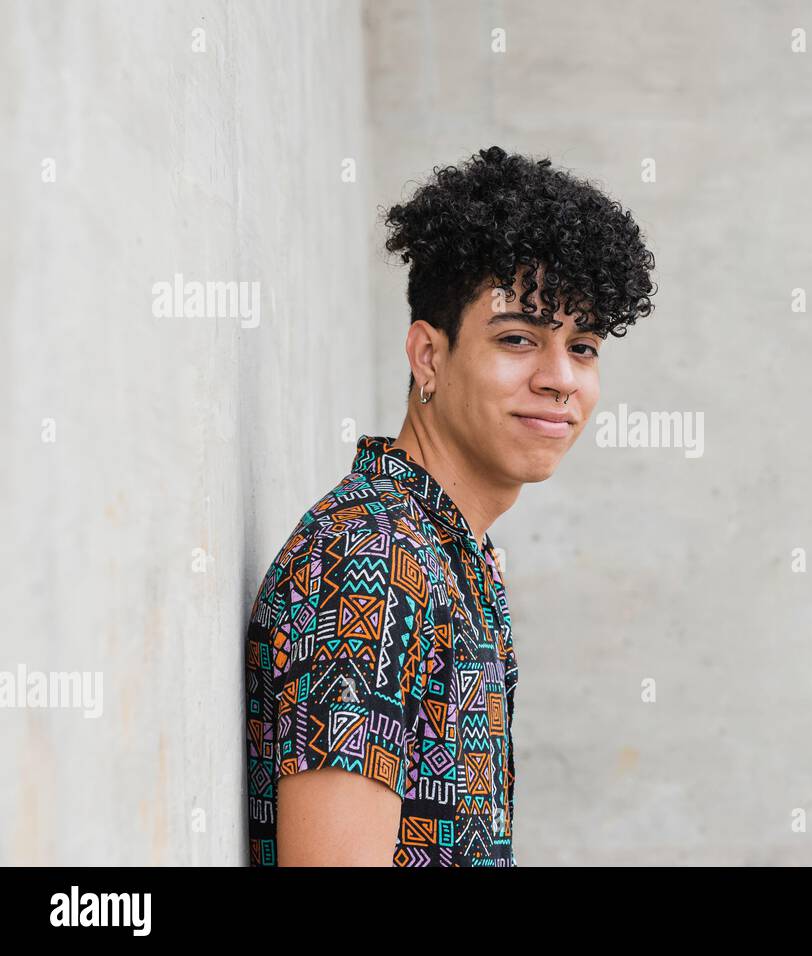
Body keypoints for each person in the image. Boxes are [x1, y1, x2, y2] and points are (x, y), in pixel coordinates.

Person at [244, 145, 657, 866]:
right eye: (518, 339)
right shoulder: (371, 555)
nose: (561, 378)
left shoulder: (455, 557)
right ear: (429, 356)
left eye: (584, 345)